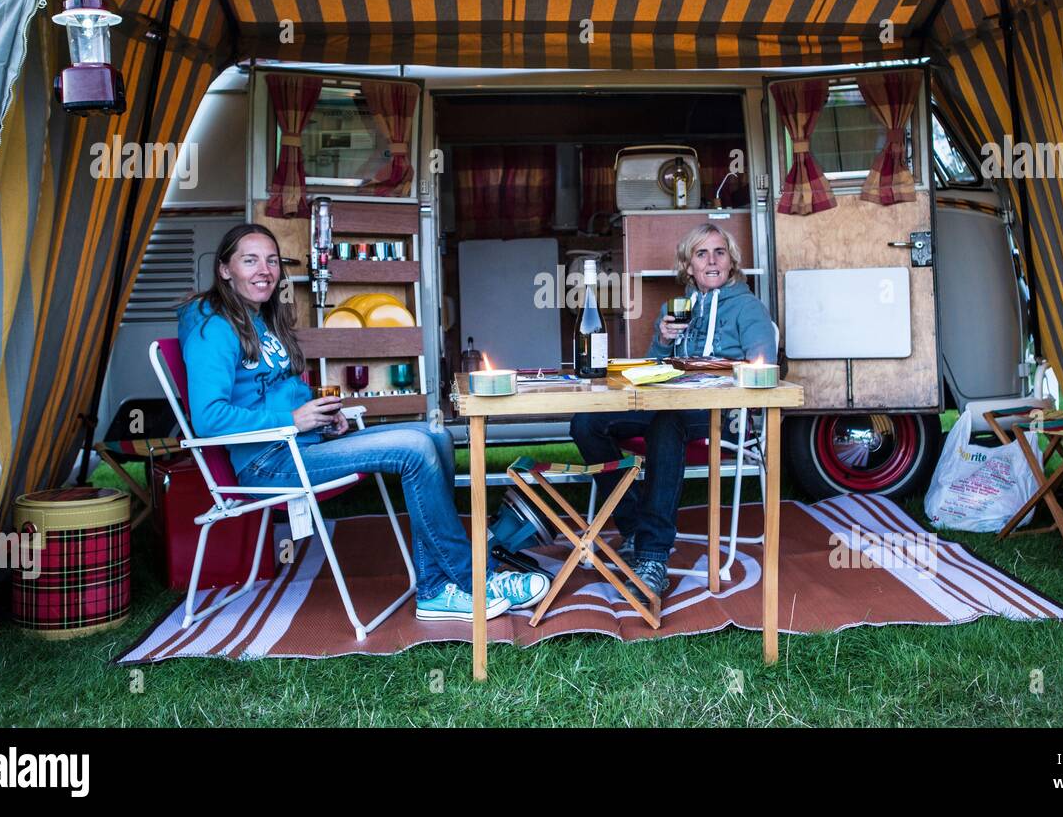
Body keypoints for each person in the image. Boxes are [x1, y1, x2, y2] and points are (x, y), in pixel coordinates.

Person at [177, 223, 548, 622]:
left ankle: (436, 589)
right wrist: (293, 419)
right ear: (224, 269)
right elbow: (208, 418)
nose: (264, 270)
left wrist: (320, 419)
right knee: (415, 449)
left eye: (271, 260)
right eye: (249, 260)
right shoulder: (211, 326)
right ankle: (476, 581)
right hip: (267, 463)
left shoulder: (258, 319)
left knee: (436, 435)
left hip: (301, 445)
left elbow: (277, 392)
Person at [570, 223, 776, 599]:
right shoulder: (674, 308)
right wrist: (663, 341)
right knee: (586, 423)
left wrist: (714, 368)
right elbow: (654, 372)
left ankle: (652, 557)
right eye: (702, 254)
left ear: (732, 263)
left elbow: (763, 363)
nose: (712, 260)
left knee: (667, 423)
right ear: (688, 266)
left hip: (724, 414)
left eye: (720, 253)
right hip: (674, 405)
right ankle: (633, 525)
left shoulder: (748, 307)